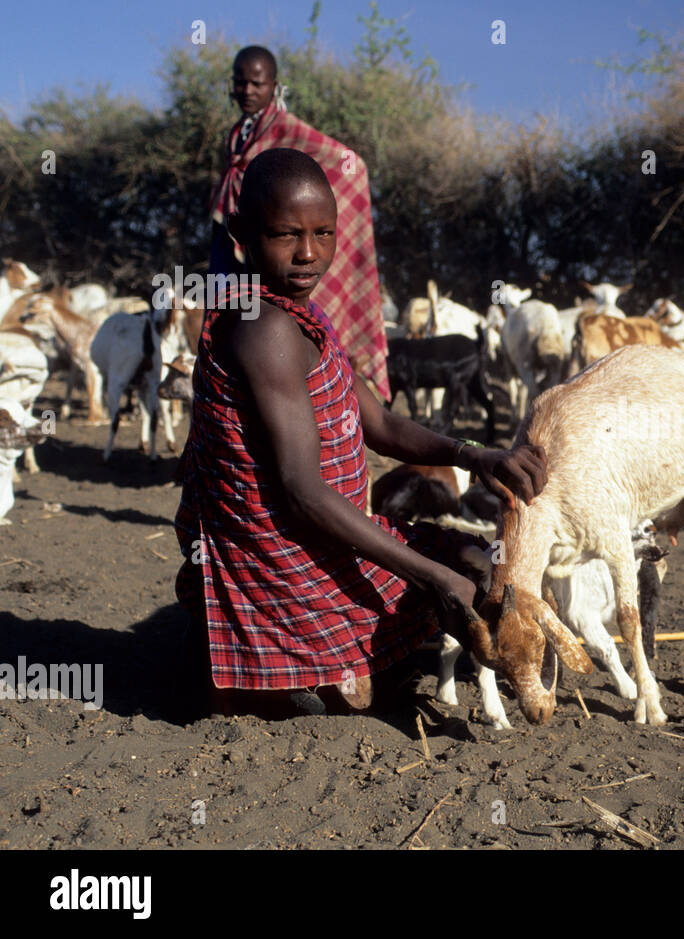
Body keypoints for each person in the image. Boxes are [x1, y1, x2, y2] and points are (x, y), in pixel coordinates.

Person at [177, 148, 547, 717]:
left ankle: (329, 660)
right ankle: (257, 652)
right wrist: (430, 579)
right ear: (241, 233)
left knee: (473, 560)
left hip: (328, 530)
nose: (308, 253)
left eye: (323, 233)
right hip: (276, 555)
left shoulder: (299, 310)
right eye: (284, 235)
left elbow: (377, 421)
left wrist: (477, 456)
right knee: (440, 590)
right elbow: (301, 492)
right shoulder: (263, 329)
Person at [209, 45, 392, 400]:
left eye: (256, 84)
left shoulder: (286, 131)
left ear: (274, 86)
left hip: (270, 254)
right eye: (240, 83)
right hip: (243, 248)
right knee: (228, 327)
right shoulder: (238, 135)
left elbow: (349, 162)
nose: (247, 91)